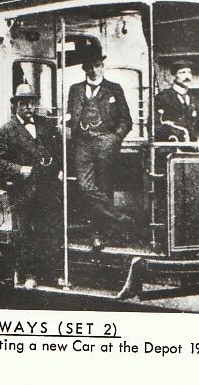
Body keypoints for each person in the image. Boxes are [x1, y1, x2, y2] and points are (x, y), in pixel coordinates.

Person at [0, 84, 63, 288]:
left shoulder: (45, 125)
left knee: (51, 230)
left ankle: (53, 275)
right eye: (25, 104)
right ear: (16, 106)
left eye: (32, 103)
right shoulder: (6, 131)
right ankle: (29, 275)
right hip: (24, 190)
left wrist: (60, 168)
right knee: (27, 234)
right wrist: (20, 169)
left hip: (48, 187)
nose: (30, 107)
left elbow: (58, 149)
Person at [67, 45, 133, 247]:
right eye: (90, 67)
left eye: (97, 66)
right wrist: (66, 123)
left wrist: (114, 138)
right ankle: (123, 220)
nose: (94, 71)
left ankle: (99, 234)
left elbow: (126, 120)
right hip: (83, 144)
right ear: (84, 69)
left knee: (104, 187)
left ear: (102, 66)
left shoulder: (114, 89)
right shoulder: (75, 90)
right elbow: (71, 116)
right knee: (85, 187)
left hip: (106, 143)